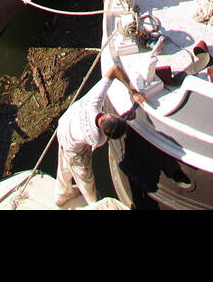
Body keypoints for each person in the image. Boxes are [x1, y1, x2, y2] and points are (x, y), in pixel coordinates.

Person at [54, 63, 145, 207]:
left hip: (64, 126)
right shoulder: (97, 138)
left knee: (64, 164)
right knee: (85, 177)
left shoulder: (93, 102)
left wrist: (132, 91)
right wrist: (128, 116)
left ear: (108, 115)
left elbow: (114, 69)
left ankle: (62, 194)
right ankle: (93, 204)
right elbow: (109, 132)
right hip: (73, 147)